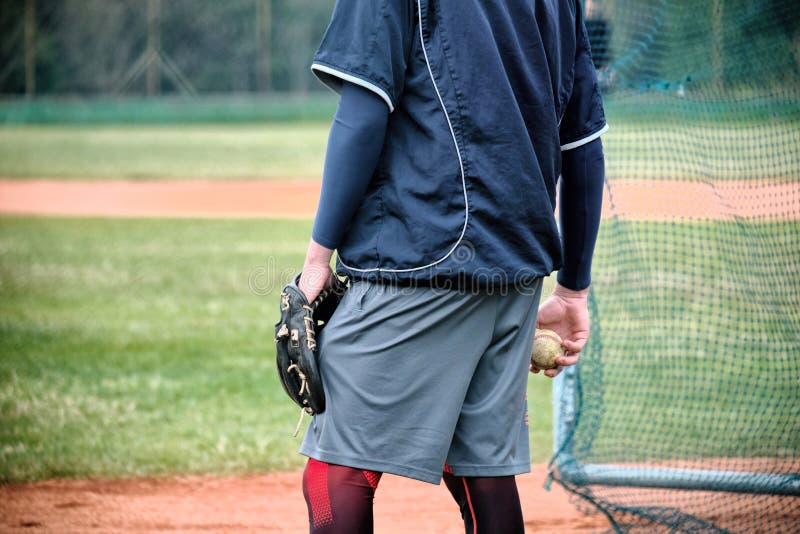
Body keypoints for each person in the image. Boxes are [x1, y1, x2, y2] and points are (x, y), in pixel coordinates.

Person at [295, 1, 607, 532]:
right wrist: (573, 289)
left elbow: (363, 111)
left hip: (424, 253)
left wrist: (316, 258)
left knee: (336, 474)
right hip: (519, 262)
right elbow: (582, 144)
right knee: (479, 473)